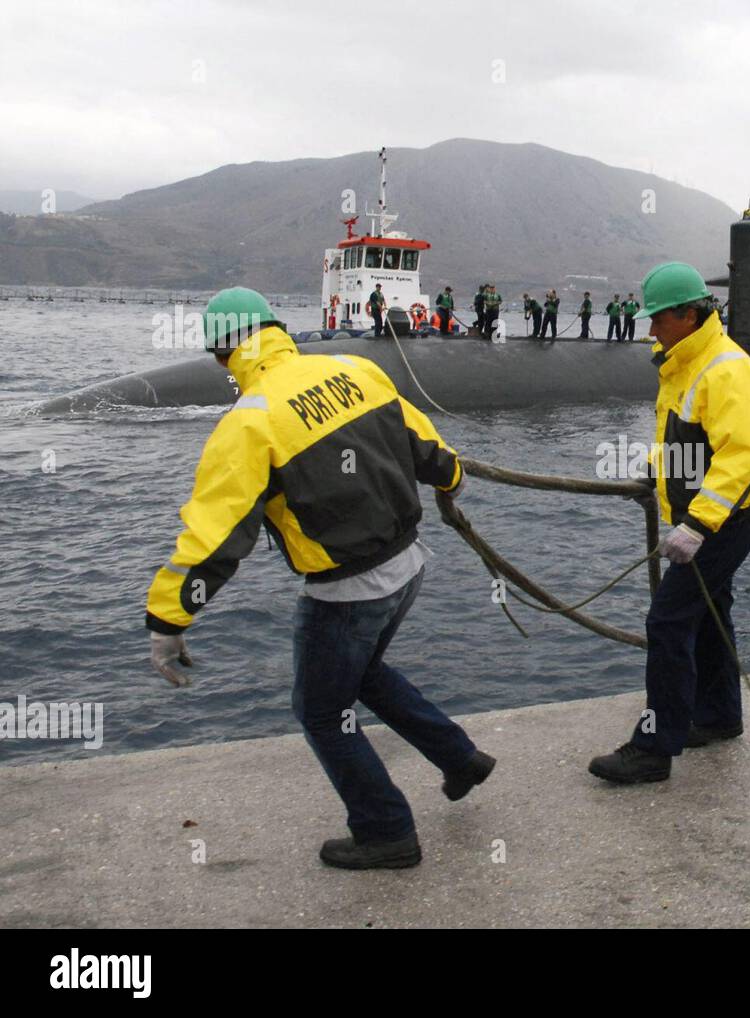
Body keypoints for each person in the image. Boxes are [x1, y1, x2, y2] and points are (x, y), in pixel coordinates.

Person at [146, 287, 494, 870]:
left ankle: (387, 832)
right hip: (409, 566)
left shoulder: (249, 421)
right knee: (363, 676)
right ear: (276, 329)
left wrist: (168, 618)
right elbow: (427, 447)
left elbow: (217, 536)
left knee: (320, 712)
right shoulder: (352, 367)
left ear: (224, 352)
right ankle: (458, 757)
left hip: (349, 591)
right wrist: (452, 478)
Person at [587, 262, 750, 784]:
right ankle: (718, 716)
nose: (650, 328)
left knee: (667, 622)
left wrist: (696, 523)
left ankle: (654, 748)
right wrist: (655, 474)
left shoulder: (724, 368)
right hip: (712, 517)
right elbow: (681, 437)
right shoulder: (687, 362)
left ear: (689, 315)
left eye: (658, 319)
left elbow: (741, 454)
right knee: (710, 613)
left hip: (723, 520)